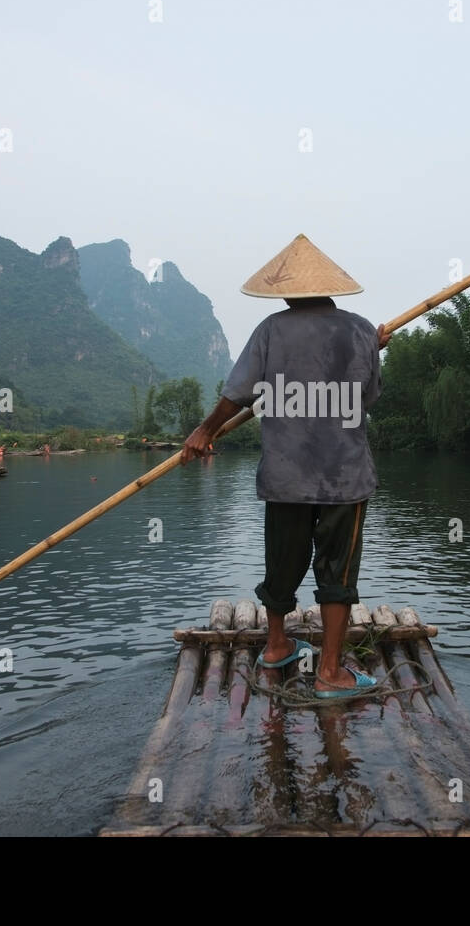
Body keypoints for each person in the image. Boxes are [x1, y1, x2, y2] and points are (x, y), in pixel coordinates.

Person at [181, 234, 392, 699]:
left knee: (283, 562)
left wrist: (205, 431)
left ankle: (277, 646)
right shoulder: (360, 330)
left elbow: (237, 393)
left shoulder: (271, 330)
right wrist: (372, 348)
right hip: (345, 478)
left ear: (288, 290)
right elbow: (368, 397)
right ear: (329, 287)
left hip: (286, 477)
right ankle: (331, 672)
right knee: (337, 574)